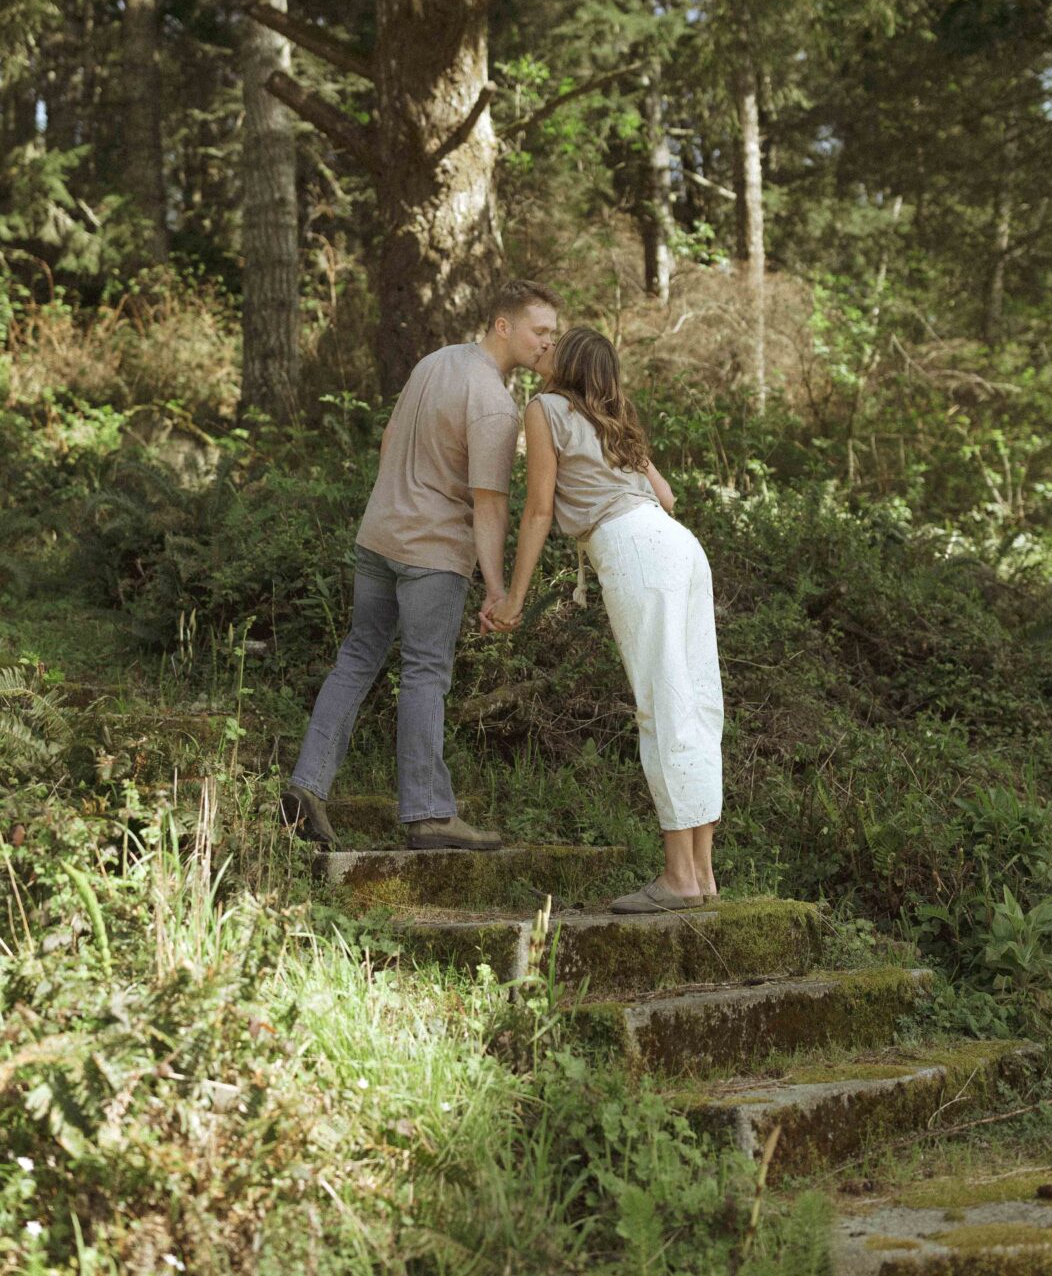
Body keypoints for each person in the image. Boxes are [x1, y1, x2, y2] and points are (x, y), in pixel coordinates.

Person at [280, 280, 561, 851]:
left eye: (553, 334)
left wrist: (397, 503)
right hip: (432, 554)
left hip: (378, 535)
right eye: (540, 331)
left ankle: (306, 788)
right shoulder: (493, 404)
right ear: (503, 326)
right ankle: (429, 815)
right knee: (425, 674)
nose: (547, 345)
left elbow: (388, 442)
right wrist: (497, 587)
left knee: (357, 658)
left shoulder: (434, 362)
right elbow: (489, 504)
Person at [492, 326, 723, 911]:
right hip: (680, 546)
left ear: (565, 363)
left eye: (553, 346)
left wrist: (515, 598)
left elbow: (539, 508)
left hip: (635, 551)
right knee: (696, 705)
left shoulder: (544, 408)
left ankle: (677, 879)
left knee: (663, 705)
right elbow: (667, 497)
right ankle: (701, 875)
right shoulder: (614, 419)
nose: (543, 352)